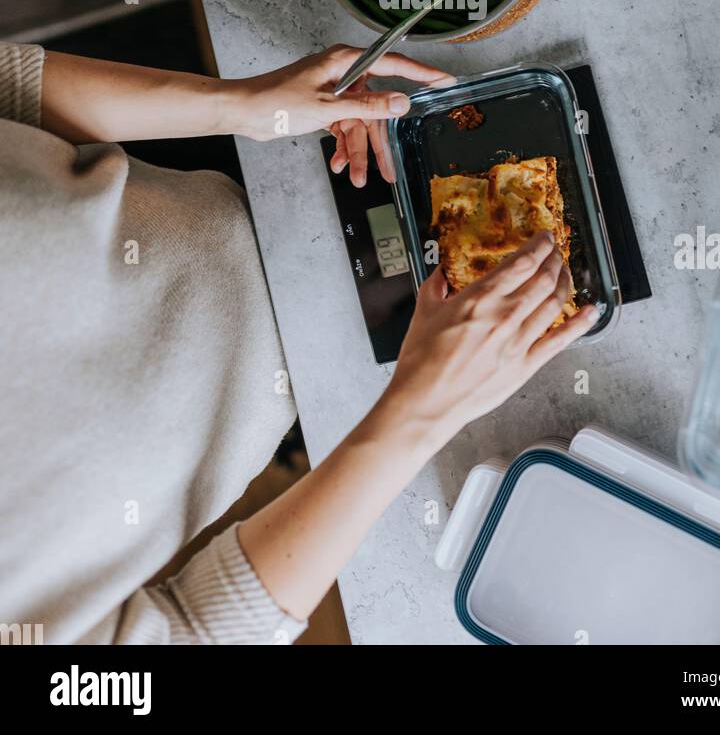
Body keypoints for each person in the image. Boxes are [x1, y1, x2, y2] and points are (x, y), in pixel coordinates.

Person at [0, 40, 597, 644]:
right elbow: (194, 632)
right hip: (304, 400)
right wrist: (418, 412)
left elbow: (8, 89)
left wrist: (239, 104)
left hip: (249, 189)